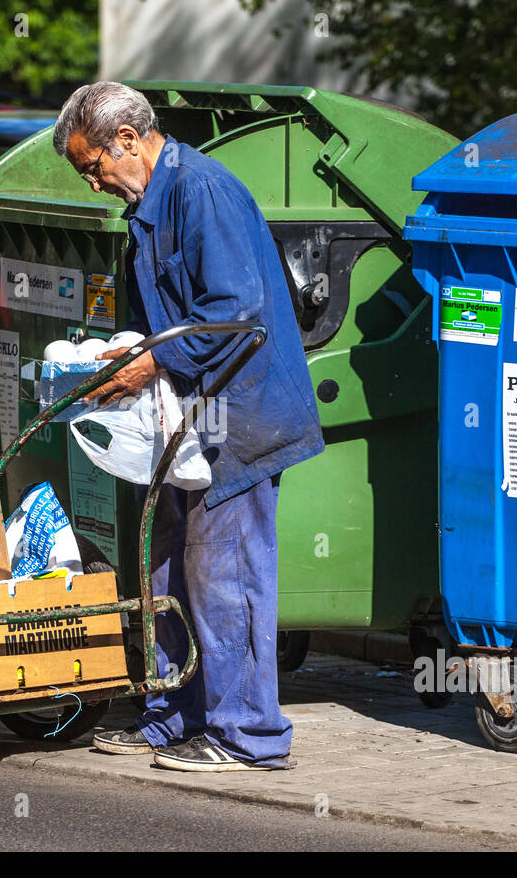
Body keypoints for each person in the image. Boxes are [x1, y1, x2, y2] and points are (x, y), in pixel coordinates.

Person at [52, 82, 324, 771]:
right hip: (191, 414)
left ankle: (248, 735)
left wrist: (151, 363)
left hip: (240, 413)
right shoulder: (151, 202)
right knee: (171, 561)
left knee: (225, 572)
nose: (95, 182)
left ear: (128, 140)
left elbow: (234, 315)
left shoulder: (201, 191)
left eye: (94, 167)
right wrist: (129, 357)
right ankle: (175, 712)